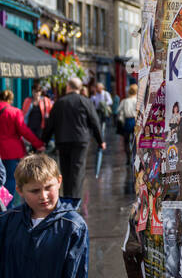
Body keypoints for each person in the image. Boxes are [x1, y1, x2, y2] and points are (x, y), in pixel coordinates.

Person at [42, 77, 105, 208]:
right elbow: (95, 122)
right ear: (79, 88)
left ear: (68, 87)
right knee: (77, 169)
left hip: (62, 140)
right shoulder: (85, 101)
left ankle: (66, 199)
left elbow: (50, 124)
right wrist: (100, 141)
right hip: (80, 140)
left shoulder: (60, 102)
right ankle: (74, 201)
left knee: (65, 170)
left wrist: (43, 141)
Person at [0, 89, 44, 205]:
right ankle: (6, 207)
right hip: (11, 152)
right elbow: (24, 130)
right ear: (10, 99)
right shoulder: (14, 111)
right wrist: (38, 144)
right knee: (10, 179)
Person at [117, 87, 137, 164]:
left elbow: (118, 110)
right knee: (135, 141)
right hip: (135, 121)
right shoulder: (137, 100)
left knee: (126, 141)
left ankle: (128, 158)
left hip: (127, 121)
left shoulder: (124, 101)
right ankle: (135, 156)